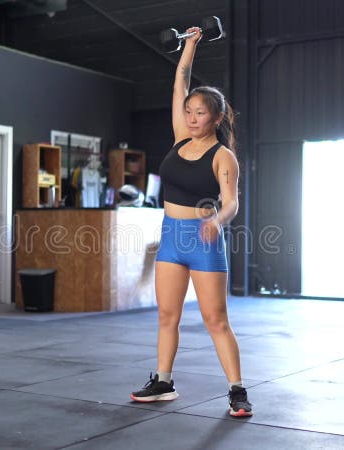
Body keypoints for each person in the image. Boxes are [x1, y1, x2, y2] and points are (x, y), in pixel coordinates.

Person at [129, 25, 252, 417]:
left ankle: (237, 390)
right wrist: (190, 46)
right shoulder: (180, 138)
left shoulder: (222, 156)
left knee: (216, 320)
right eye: (189, 111)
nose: (192, 116)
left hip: (204, 240)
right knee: (168, 316)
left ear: (216, 117)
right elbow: (180, 82)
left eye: (200, 113)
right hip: (171, 238)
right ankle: (163, 382)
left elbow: (231, 203)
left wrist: (219, 222)